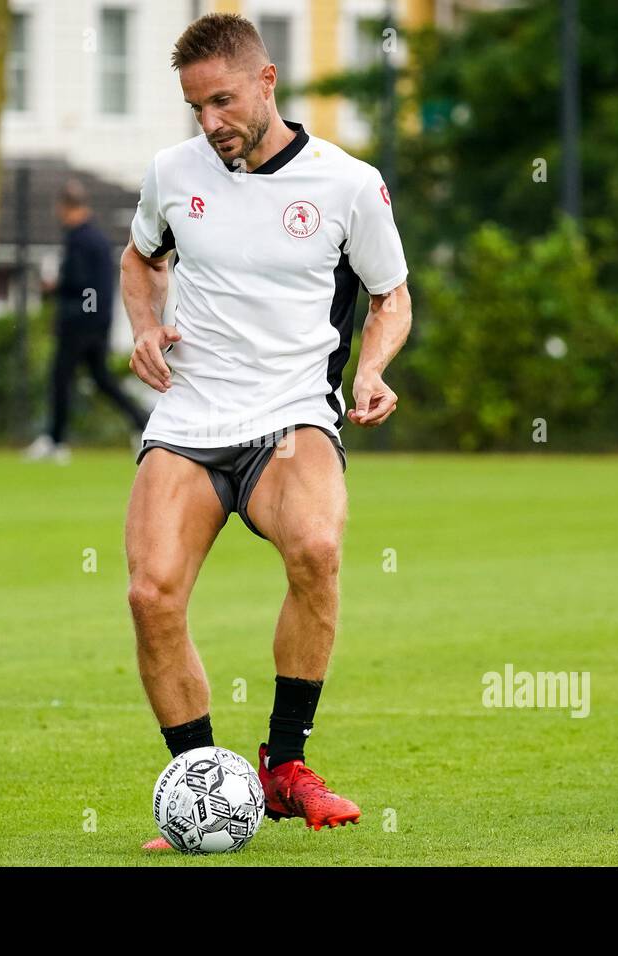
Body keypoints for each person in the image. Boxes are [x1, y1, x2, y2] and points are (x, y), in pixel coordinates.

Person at [120, 13, 413, 849]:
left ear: (266, 82)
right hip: (190, 413)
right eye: (194, 108)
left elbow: (391, 296)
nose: (210, 124)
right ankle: (204, 787)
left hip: (292, 415)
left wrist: (371, 368)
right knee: (150, 594)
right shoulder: (173, 173)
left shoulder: (348, 184)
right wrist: (143, 324)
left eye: (221, 101)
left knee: (316, 547)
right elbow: (141, 258)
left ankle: (285, 768)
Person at [25, 180, 148, 464]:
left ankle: (55, 441)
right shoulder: (96, 237)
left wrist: (54, 287)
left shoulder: (80, 239)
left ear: (65, 207)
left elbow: (80, 282)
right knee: (101, 380)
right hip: (97, 323)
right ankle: (143, 422)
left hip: (78, 324)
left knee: (61, 378)